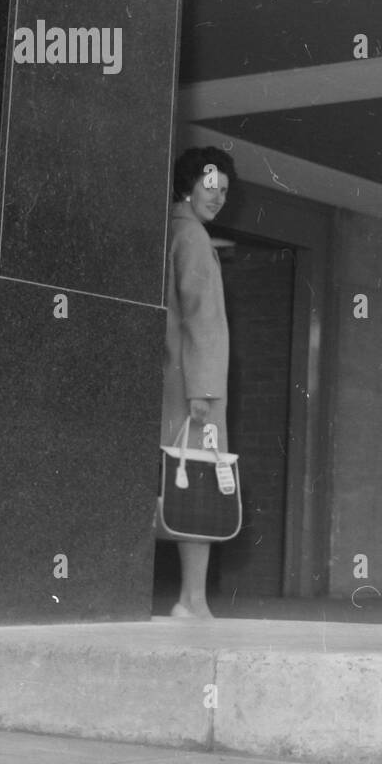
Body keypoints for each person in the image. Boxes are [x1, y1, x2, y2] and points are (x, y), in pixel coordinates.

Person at [160, 146, 236, 620]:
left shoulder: (170, 231)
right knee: (200, 487)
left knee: (176, 485)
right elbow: (201, 318)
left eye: (225, 191)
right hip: (194, 389)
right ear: (189, 184)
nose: (219, 197)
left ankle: (193, 599)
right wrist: (205, 392)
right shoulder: (192, 238)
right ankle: (193, 599)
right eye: (212, 185)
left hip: (173, 380)